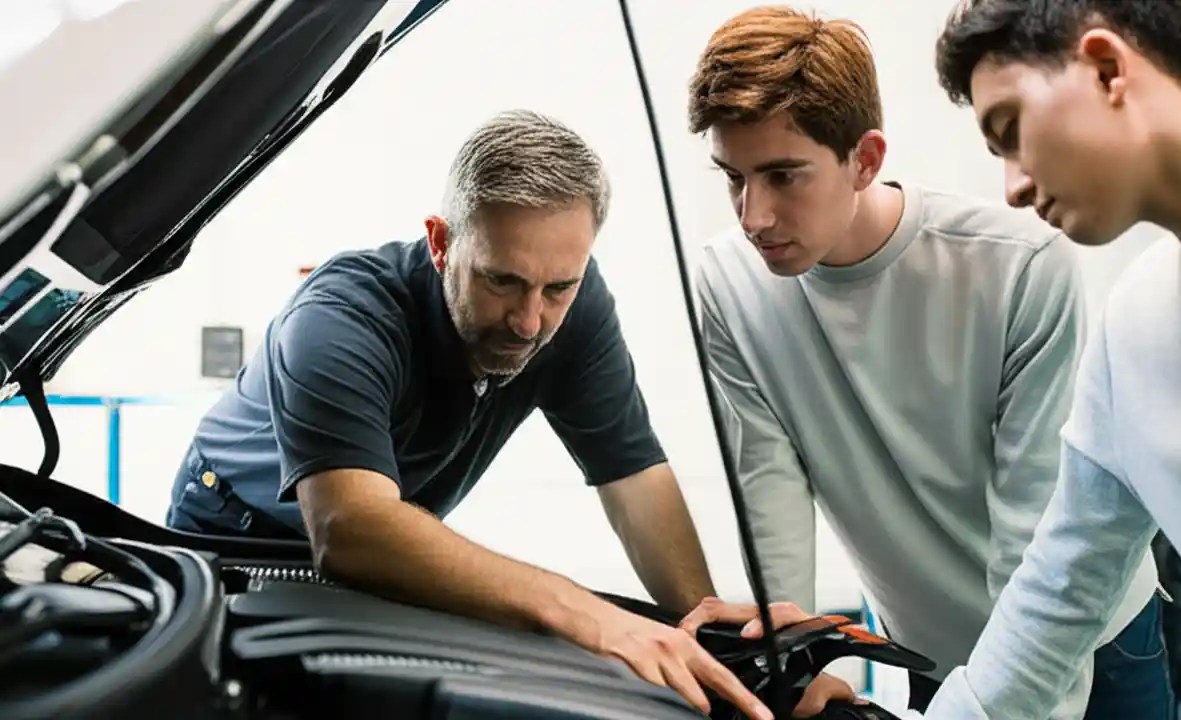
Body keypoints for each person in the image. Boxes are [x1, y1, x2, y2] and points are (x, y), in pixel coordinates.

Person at [165, 109, 774, 720]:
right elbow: (350, 528)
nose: (529, 321)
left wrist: (714, 643)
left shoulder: (578, 305)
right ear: (440, 242)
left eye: (558, 287)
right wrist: (582, 611)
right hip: (234, 530)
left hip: (377, 537)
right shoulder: (341, 315)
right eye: (501, 281)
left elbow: (634, 478)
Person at [672, 5, 1171, 719]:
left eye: (784, 176)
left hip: (1088, 643)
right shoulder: (728, 282)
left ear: (866, 159)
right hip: (934, 654)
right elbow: (768, 486)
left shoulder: (1019, 268)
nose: (753, 216)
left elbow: (1038, 541)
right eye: (733, 177)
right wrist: (792, 666)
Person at [921, 0, 1181, 717]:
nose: (1013, 187)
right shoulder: (1135, 330)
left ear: (1108, 67)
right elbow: (1056, 596)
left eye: (1011, 131)